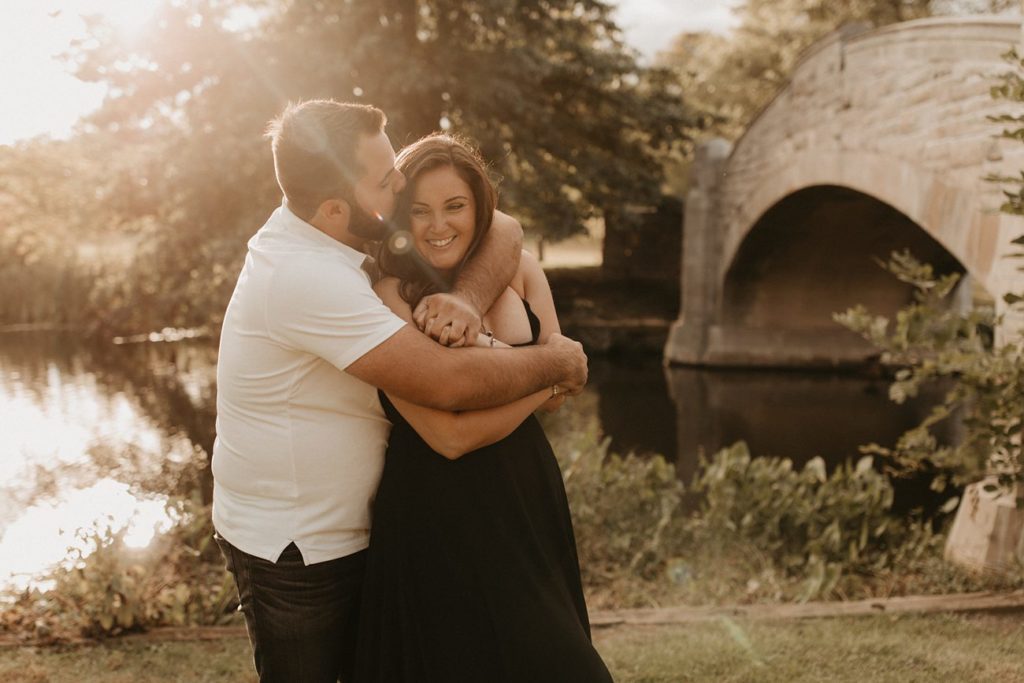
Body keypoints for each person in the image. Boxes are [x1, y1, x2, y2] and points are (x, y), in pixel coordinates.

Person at [211, 100, 589, 683]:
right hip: (300, 549)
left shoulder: (332, 224)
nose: (399, 182)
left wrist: (464, 298)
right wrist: (557, 361)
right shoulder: (303, 277)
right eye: (388, 181)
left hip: (370, 526)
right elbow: (448, 384)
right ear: (339, 208)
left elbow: (503, 226)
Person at [353, 133, 612, 682]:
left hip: (524, 491)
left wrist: (549, 379)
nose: (438, 225)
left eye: (455, 206)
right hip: (437, 510)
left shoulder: (520, 270)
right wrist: (547, 377)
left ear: (481, 209)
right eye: (419, 211)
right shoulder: (390, 296)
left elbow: (565, 392)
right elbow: (451, 437)